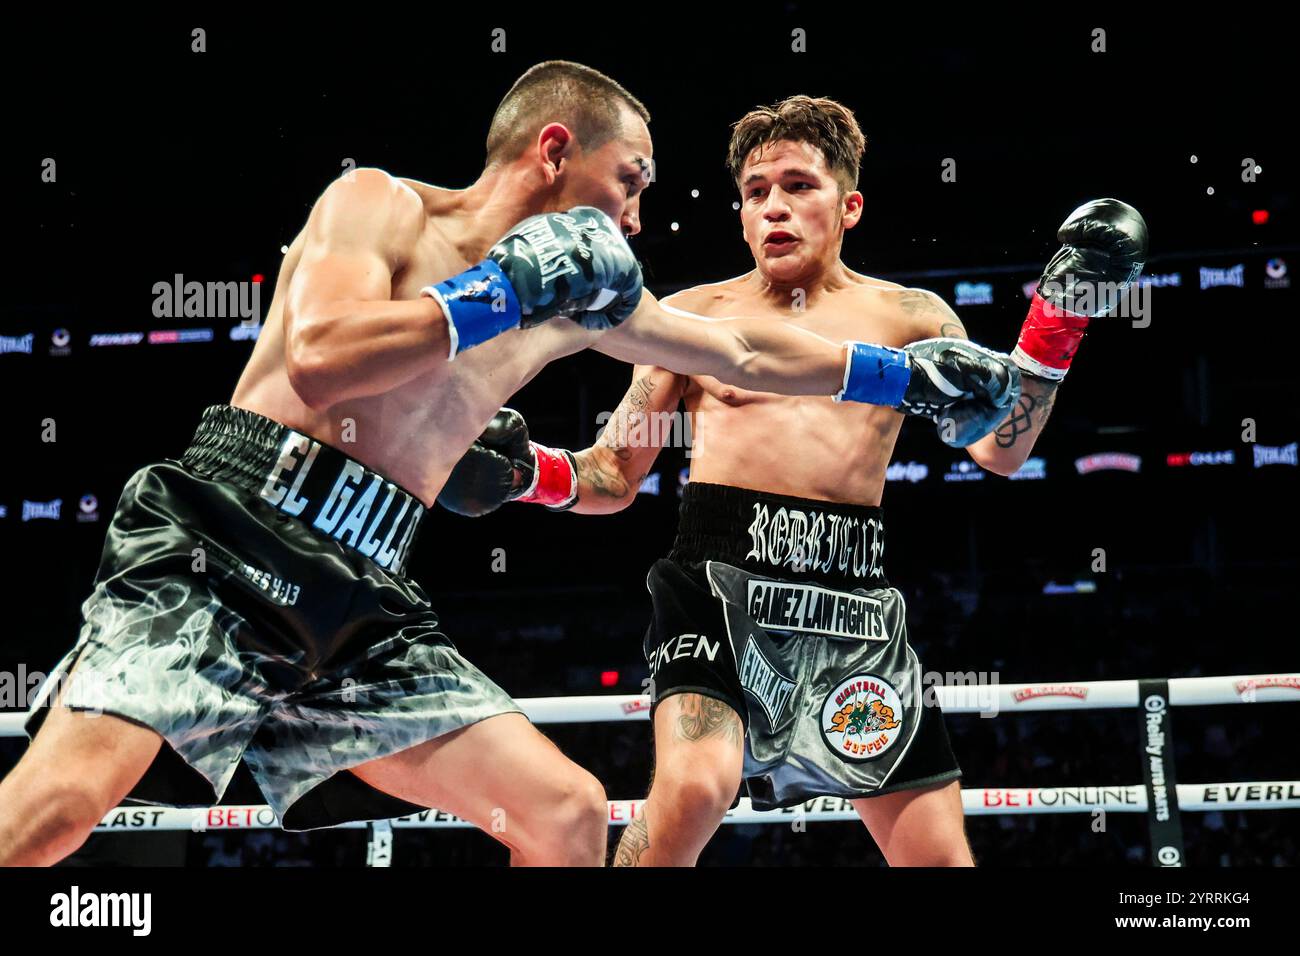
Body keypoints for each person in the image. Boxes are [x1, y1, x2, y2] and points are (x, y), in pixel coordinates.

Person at [0, 66, 1017, 868]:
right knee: (59, 810)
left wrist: (905, 375)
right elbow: (318, 355)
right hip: (229, 535)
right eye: (630, 183)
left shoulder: (577, 303)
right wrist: (498, 293)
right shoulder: (380, 204)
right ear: (554, 150)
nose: (636, 219)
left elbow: (743, 352)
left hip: (366, 589)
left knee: (566, 813)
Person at [440, 95, 1147, 865]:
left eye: (799, 186)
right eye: (756, 191)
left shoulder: (912, 317)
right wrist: (527, 474)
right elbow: (613, 471)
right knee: (695, 789)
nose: (773, 206)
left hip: (853, 609)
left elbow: (1001, 451)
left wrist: (1058, 319)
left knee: (940, 858)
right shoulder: (690, 318)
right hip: (716, 586)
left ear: (849, 207)